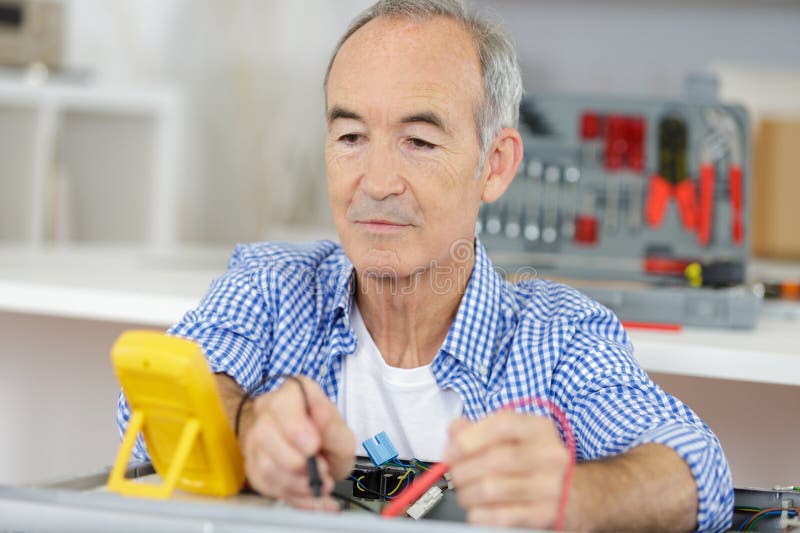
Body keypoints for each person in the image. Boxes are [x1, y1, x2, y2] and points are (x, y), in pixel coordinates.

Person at [117, 0, 733, 530]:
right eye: (351, 136)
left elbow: (698, 473)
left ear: (494, 165)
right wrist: (249, 427)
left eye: (419, 141)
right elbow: (154, 404)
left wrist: (579, 498)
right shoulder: (271, 286)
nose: (377, 182)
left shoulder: (559, 336)